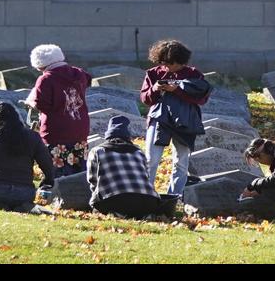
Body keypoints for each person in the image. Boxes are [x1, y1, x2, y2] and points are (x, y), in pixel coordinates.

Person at [139, 39, 211, 195]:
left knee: (181, 162)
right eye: (163, 63)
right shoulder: (154, 73)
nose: (166, 67)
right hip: (159, 120)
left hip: (185, 121)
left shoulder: (194, 74)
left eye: (171, 63)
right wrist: (155, 88)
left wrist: (176, 89)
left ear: (181, 61)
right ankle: (146, 194)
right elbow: (145, 99)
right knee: (151, 160)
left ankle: (175, 195)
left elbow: (201, 99)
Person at [22, 44, 92, 189]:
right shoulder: (79, 73)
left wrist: (30, 101)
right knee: (78, 164)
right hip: (80, 126)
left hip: (56, 130)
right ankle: (79, 193)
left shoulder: (46, 79)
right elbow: (88, 81)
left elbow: (42, 105)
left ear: (40, 64)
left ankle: (55, 193)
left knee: (55, 168)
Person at [86, 115, 175, 218]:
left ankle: (119, 213)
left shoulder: (97, 151)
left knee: (102, 204)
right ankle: (142, 214)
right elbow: (146, 177)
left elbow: (92, 181)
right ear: (128, 136)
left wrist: (95, 201)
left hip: (114, 201)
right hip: (148, 201)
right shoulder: (139, 152)